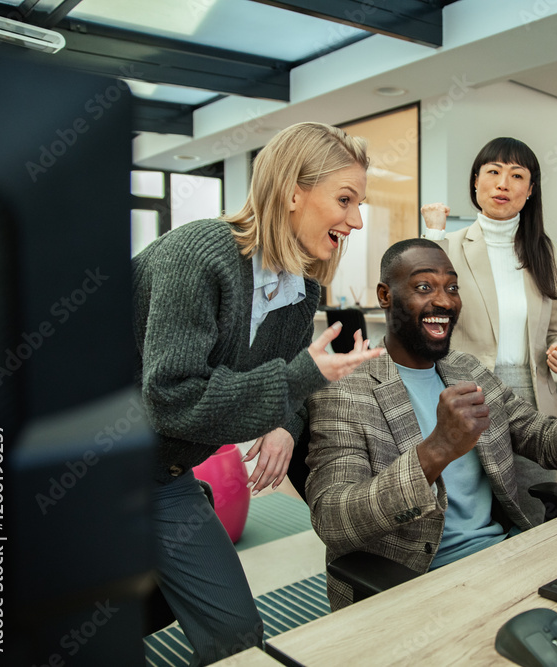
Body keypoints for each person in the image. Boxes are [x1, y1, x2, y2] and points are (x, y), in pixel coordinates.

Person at [133, 122, 382, 664]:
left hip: (164, 478)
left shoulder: (299, 292)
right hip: (84, 474)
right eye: (345, 200)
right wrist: (300, 381)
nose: (356, 221)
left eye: (359, 204)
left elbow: (286, 382)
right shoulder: (199, 254)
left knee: (237, 637)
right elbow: (172, 398)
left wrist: (285, 426)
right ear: (293, 191)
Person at [305, 239, 557, 610]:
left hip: (507, 556)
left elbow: (549, 445)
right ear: (385, 295)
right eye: (425, 287)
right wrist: (436, 450)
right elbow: (334, 519)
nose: (444, 301)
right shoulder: (344, 391)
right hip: (423, 584)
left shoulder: (467, 370)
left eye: (452, 287)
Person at [421, 137, 557, 522]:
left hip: (531, 398)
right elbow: (423, 309)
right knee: (471, 514)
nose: (503, 184)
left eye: (516, 175)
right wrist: (433, 236)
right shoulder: (448, 246)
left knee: (534, 510)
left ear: (531, 189)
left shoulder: (551, 254)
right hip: (466, 394)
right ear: (476, 181)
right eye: (493, 172)